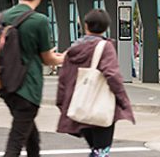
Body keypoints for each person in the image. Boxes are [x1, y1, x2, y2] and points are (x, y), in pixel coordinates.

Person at [1, 0, 64, 157]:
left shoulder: (3, 16)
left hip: (6, 86)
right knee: (16, 142)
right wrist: (64, 58)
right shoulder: (39, 21)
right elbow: (47, 58)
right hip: (27, 88)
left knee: (32, 138)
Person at [56, 9, 135, 157]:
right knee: (101, 152)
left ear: (86, 26)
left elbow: (64, 79)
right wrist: (123, 100)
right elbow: (112, 75)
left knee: (96, 150)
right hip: (101, 106)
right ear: (106, 28)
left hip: (80, 106)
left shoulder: (73, 49)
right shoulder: (105, 47)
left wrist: (62, 103)